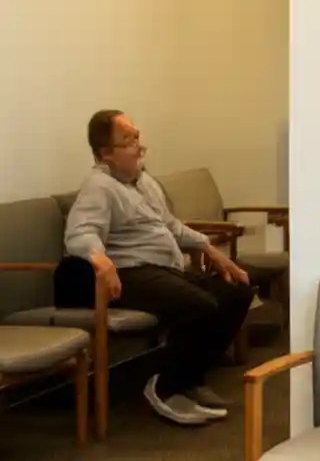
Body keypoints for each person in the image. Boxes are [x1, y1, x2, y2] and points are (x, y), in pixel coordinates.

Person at [64, 109, 253, 427]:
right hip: (130, 272)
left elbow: (171, 226)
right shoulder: (99, 187)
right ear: (105, 153)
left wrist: (209, 248)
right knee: (200, 306)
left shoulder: (144, 181)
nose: (140, 146)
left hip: (163, 269)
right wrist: (101, 260)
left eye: (137, 136)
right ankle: (165, 387)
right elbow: (79, 234)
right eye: (129, 140)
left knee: (237, 292)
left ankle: (188, 378)